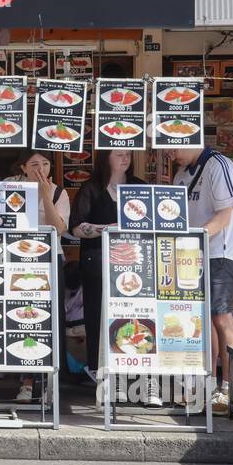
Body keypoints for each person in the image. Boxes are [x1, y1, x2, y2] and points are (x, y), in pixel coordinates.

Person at [171, 144, 233, 413]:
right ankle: (207, 384)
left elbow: (225, 213)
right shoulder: (180, 173)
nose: (171, 153)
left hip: (217, 253)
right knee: (200, 319)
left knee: (221, 316)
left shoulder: (219, 164)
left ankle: (230, 388)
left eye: (172, 146)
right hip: (189, 253)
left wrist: (197, 236)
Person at [69, 150, 146, 395]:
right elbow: (76, 227)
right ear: (105, 159)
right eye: (118, 155)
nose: (125, 159)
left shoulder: (139, 187)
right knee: (97, 316)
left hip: (135, 263)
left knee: (133, 317)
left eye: (128, 155)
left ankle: (134, 369)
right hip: (98, 262)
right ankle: (97, 368)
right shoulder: (92, 188)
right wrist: (107, 229)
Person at [14, 150, 70, 404]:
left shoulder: (59, 192)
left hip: (49, 260)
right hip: (17, 260)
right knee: (22, 320)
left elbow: (57, 229)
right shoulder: (10, 187)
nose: (41, 169)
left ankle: (50, 383)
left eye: (45, 164)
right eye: (34, 164)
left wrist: (46, 196)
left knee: (50, 322)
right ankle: (26, 382)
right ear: (23, 167)